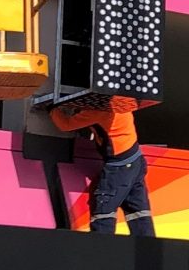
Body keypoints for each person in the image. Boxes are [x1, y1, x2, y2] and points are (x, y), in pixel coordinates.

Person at [49, 93, 155, 236]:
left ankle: (101, 248)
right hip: (135, 160)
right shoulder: (122, 100)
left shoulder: (99, 110)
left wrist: (52, 109)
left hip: (119, 166)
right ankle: (147, 249)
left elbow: (65, 124)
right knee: (138, 211)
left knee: (103, 210)